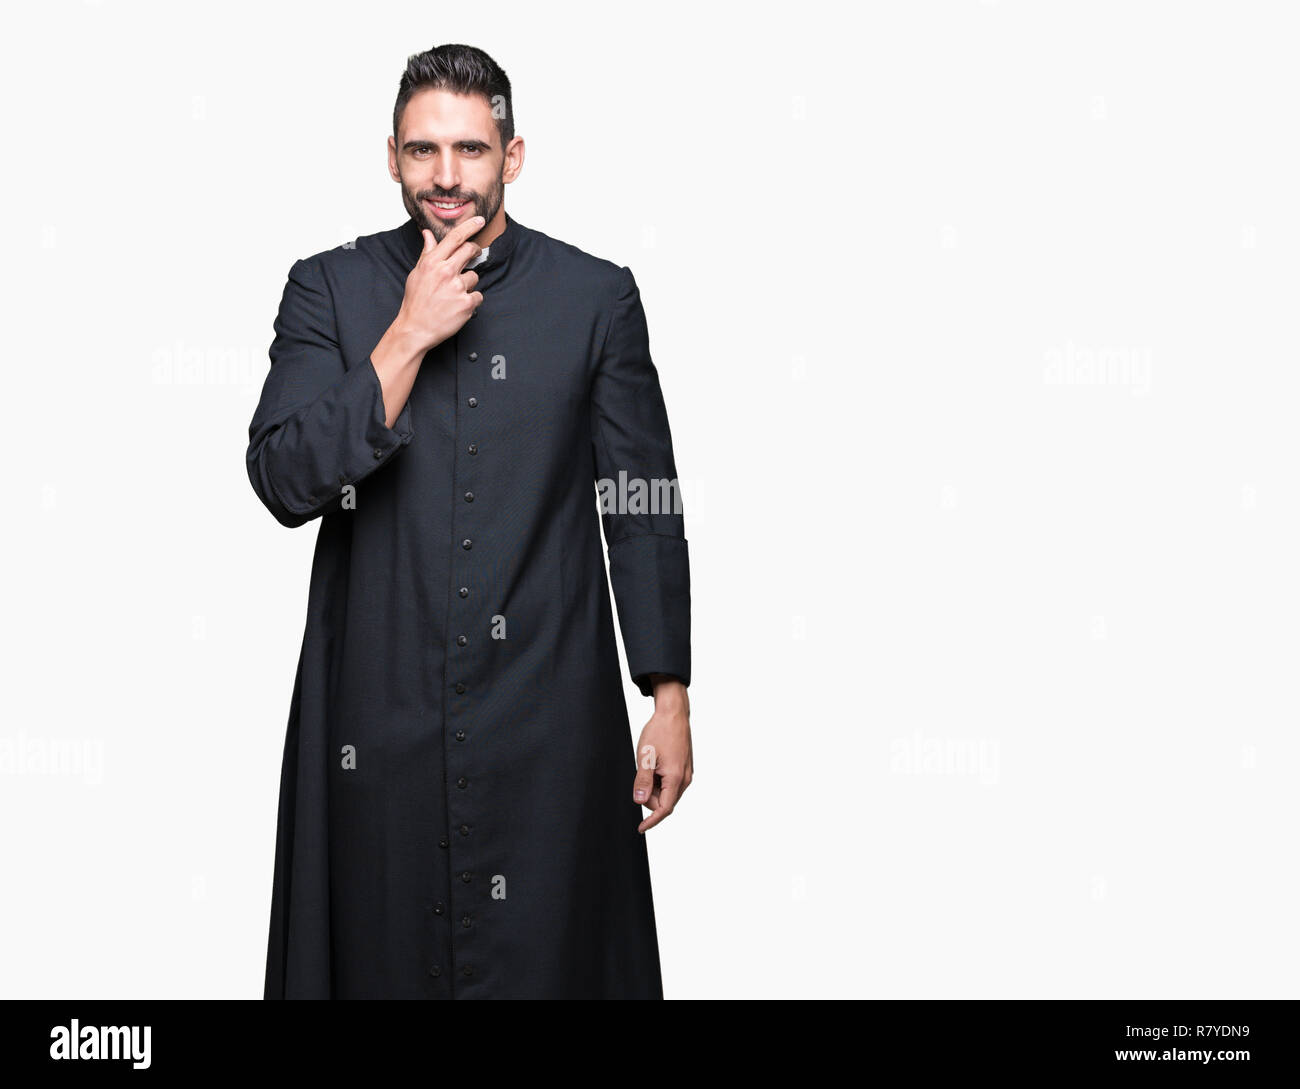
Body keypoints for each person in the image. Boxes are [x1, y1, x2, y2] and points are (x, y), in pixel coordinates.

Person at [247, 42, 693, 999]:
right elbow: (283, 478)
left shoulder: (595, 298)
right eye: (422, 153)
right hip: (375, 714)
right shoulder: (327, 290)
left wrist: (668, 693)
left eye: (471, 150)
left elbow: (641, 499)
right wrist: (405, 334)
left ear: (514, 155)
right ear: (393, 159)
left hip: (549, 719)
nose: (446, 178)